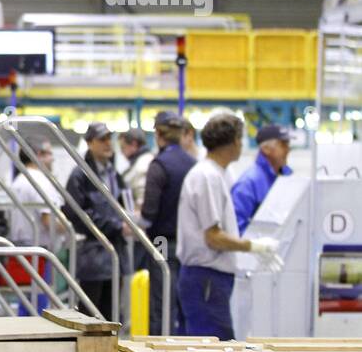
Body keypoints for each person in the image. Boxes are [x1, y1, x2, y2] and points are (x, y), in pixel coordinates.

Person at [176, 112, 283, 340]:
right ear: (234, 141)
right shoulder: (207, 177)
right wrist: (254, 247)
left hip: (211, 278)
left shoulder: (219, 174)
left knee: (213, 346)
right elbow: (213, 237)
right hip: (205, 277)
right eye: (241, 138)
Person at [63, 122, 128, 320]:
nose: (108, 144)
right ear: (90, 143)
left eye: (110, 138)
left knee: (111, 315)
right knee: (90, 316)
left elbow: (122, 205)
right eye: (102, 139)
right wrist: (116, 226)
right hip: (92, 255)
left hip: (115, 252)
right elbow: (77, 213)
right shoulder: (80, 175)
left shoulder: (113, 174)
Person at [140, 111, 194, 335]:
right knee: (185, 303)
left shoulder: (159, 165)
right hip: (188, 241)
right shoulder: (193, 164)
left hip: (162, 239)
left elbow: (148, 213)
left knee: (161, 302)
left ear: (159, 134)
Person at [7, 144, 61, 315]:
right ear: (38, 154)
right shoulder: (38, 180)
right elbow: (48, 219)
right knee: (39, 307)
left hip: (22, 249)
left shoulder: (20, 180)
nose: (52, 159)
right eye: (50, 153)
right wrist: (71, 229)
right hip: (39, 253)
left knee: (26, 303)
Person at [231, 123, 292, 235]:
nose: (289, 149)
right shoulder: (248, 184)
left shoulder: (287, 179)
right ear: (266, 149)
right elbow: (237, 229)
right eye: (283, 145)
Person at [118, 127, 153, 216]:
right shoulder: (146, 160)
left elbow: (143, 201)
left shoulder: (142, 165)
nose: (122, 152)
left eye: (122, 147)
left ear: (133, 145)